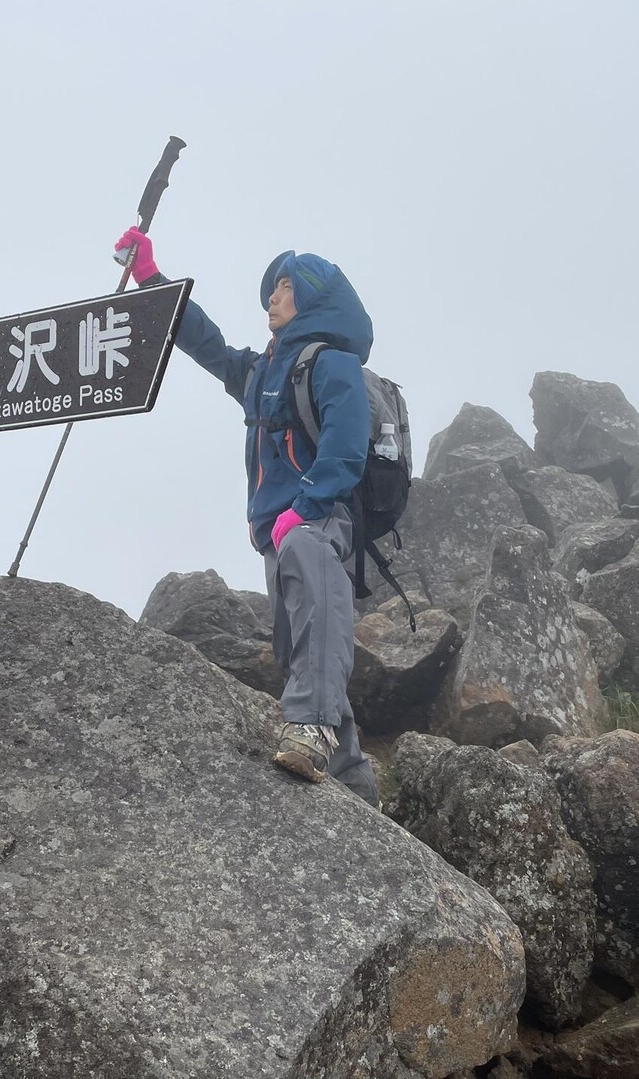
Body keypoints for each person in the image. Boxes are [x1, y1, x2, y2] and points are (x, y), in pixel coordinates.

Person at [116, 227, 380, 807]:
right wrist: (150, 279)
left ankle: (311, 726)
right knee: (295, 645)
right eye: (273, 288)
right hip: (275, 532)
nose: (273, 297)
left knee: (318, 609)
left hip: (316, 519)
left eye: (286, 287)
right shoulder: (262, 374)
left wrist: (305, 508)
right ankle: (356, 782)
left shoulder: (331, 364)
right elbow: (204, 342)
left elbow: (346, 445)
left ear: (312, 299)